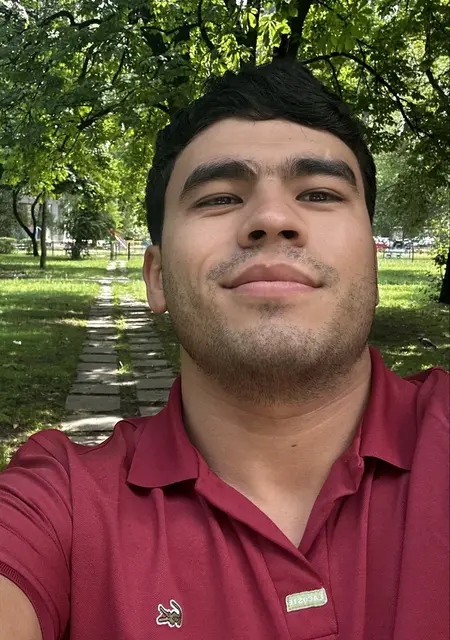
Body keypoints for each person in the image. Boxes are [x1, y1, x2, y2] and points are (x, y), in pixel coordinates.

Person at [0, 60, 448, 640]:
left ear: (372, 260)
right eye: (217, 198)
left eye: (319, 192)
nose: (272, 218)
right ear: (157, 277)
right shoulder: (57, 503)